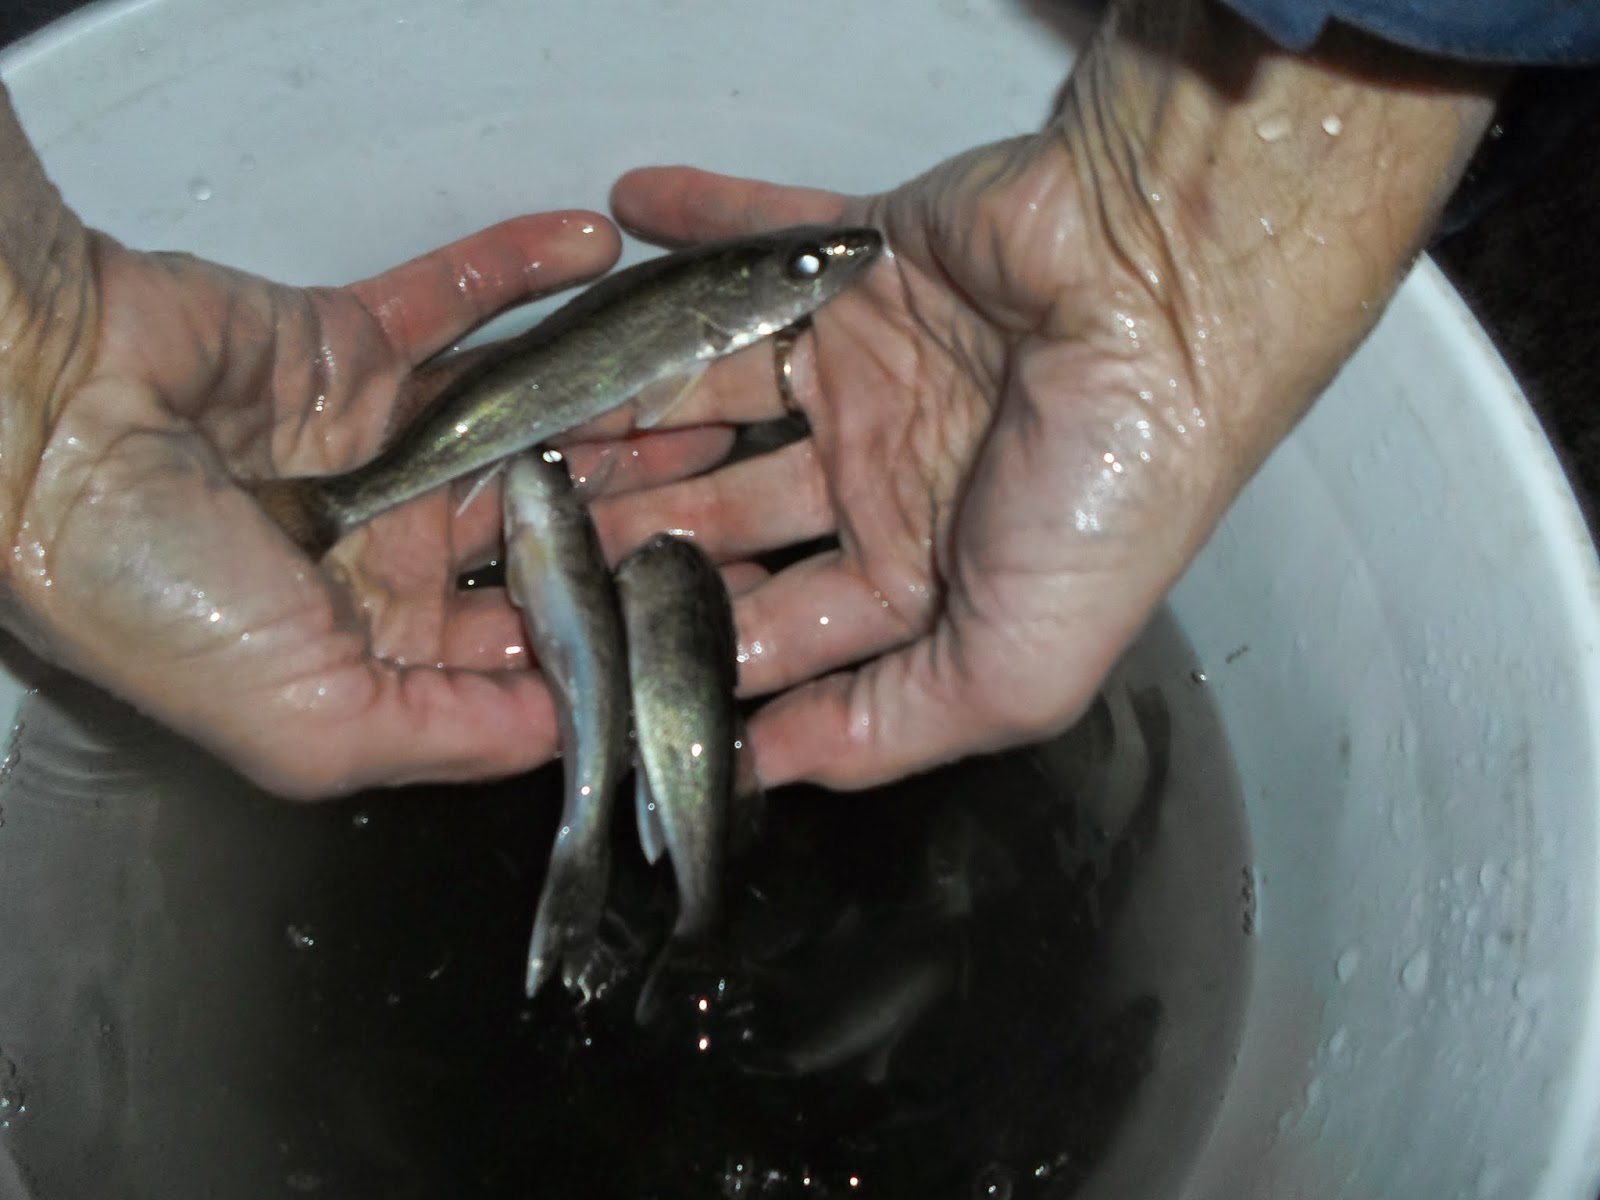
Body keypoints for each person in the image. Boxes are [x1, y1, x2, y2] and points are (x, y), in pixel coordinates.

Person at [0, 0, 1590, 800]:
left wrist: (40, 403)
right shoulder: (773, 294)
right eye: (819, 269)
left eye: (818, 270)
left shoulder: (799, 289)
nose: (828, 273)